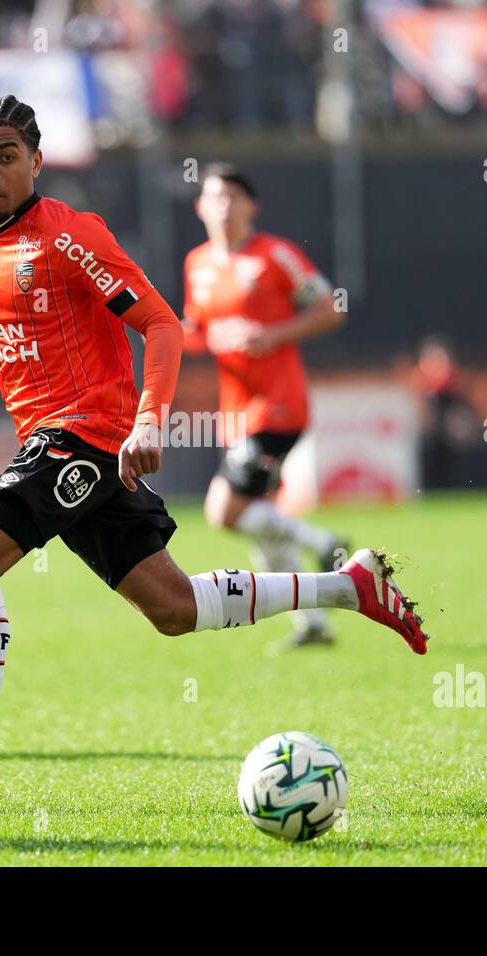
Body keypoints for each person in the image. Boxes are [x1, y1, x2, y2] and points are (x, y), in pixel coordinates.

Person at [0, 96, 428, 810]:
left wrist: (148, 422)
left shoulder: (71, 235)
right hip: (53, 440)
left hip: (84, 434)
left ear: (36, 162)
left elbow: (162, 326)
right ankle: (347, 587)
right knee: (174, 607)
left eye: (6, 156)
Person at [182, 164, 347, 648]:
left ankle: (323, 543)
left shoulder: (276, 255)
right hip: (235, 410)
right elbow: (197, 329)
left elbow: (330, 308)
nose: (225, 205)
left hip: (278, 405)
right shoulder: (197, 264)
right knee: (259, 525)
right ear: (200, 208)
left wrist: (271, 335)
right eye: (215, 196)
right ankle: (314, 625)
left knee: (223, 511)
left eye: (235, 196)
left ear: (251, 206)